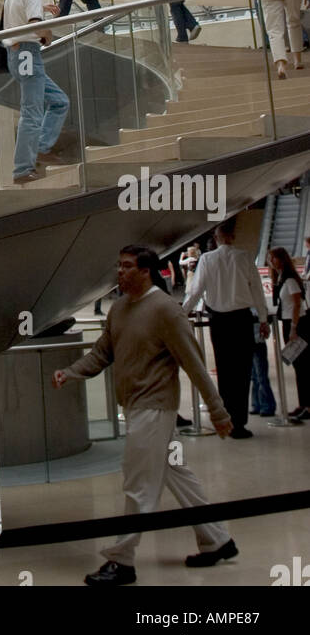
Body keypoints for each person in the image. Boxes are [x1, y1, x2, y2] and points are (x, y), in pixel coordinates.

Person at [54, 245, 234, 586]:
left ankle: (121, 560)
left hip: (154, 409)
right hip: (136, 407)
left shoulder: (165, 310)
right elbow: (101, 353)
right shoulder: (119, 309)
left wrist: (218, 410)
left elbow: (193, 363)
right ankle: (218, 539)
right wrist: (71, 372)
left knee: (138, 484)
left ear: (146, 271)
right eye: (118, 266)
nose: (119, 273)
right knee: (179, 475)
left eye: (126, 267)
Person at [183, 218, 270, 437]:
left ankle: (227, 420)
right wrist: (263, 318)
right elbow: (257, 290)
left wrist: (181, 314)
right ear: (232, 236)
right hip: (242, 319)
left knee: (224, 370)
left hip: (219, 321)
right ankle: (239, 423)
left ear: (216, 237)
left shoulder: (207, 259)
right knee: (243, 371)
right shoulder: (245, 257)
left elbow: (195, 291)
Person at [2, 0, 70, 185]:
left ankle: (41, 147)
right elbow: (34, 25)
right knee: (31, 111)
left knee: (60, 101)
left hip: (18, 55)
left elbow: (20, 19)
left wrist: (41, 8)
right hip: (27, 55)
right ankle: (22, 169)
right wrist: (47, 35)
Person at [267, 246, 310, 421]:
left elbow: (297, 304)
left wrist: (293, 327)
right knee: (299, 366)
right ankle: (304, 403)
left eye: (274, 258)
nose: (271, 262)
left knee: (303, 366)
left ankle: (307, 405)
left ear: (281, 259)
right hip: (288, 322)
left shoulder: (290, 280)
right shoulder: (282, 278)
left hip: (297, 324)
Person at [249, 310, 277, 417]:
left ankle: (267, 405)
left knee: (261, 376)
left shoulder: (256, 305)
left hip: (258, 340)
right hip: (251, 340)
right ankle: (257, 404)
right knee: (255, 376)